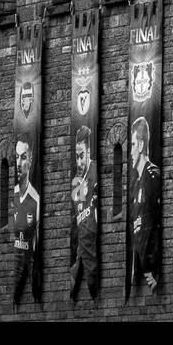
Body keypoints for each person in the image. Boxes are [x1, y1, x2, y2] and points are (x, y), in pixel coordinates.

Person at [128, 117, 160, 293]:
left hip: (152, 269)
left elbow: (156, 223)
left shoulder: (153, 176)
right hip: (141, 265)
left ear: (140, 146)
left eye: (132, 145)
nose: (131, 151)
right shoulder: (135, 183)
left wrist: (152, 268)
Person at [69, 126, 98, 299]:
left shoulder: (94, 173)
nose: (78, 163)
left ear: (88, 152)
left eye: (82, 156)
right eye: (76, 157)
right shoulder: (76, 181)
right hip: (79, 249)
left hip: (92, 249)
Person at [11, 138, 41, 305]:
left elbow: (36, 247)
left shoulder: (35, 200)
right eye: (16, 157)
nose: (18, 163)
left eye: (23, 157)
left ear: (30, 161)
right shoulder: (12, 196)